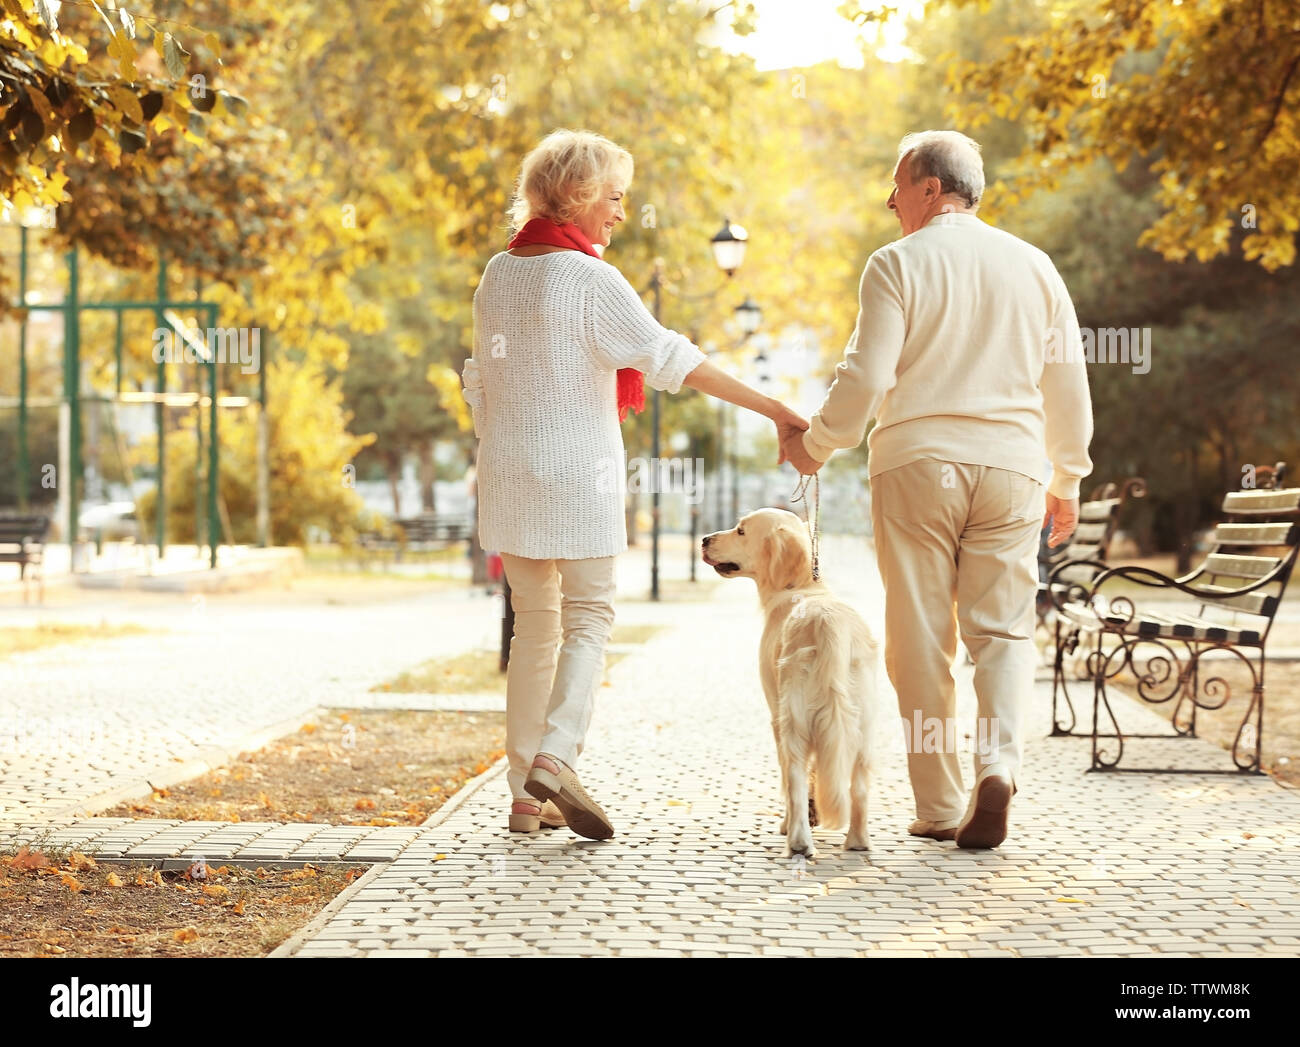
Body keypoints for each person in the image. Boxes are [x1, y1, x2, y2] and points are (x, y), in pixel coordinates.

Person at [462, 128, 808, 840]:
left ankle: (526, 793)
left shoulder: (498, 273)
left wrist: (500, 451)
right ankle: (555, 758)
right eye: (615, 198)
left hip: (508, 472)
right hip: (576, 475)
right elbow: (674, 359)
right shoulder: (590, 280)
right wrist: (775, 407)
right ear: (581, 195)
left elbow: (479, 383)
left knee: (534, 626)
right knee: (589, 617)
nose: (620, 213)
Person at [779, 130, 1093, 849]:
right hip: (1012, 467)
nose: (890, 201)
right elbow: (1068, 382)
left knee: (921, 635)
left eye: (897, 187)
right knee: (1004, 627)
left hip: (917, 463)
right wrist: (1067, 475)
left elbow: (865, 379)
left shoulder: (895, 264)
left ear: (929, 187)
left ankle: (942, 801)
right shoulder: (1035, 267)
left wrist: (815, 445)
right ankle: (1000, 766)